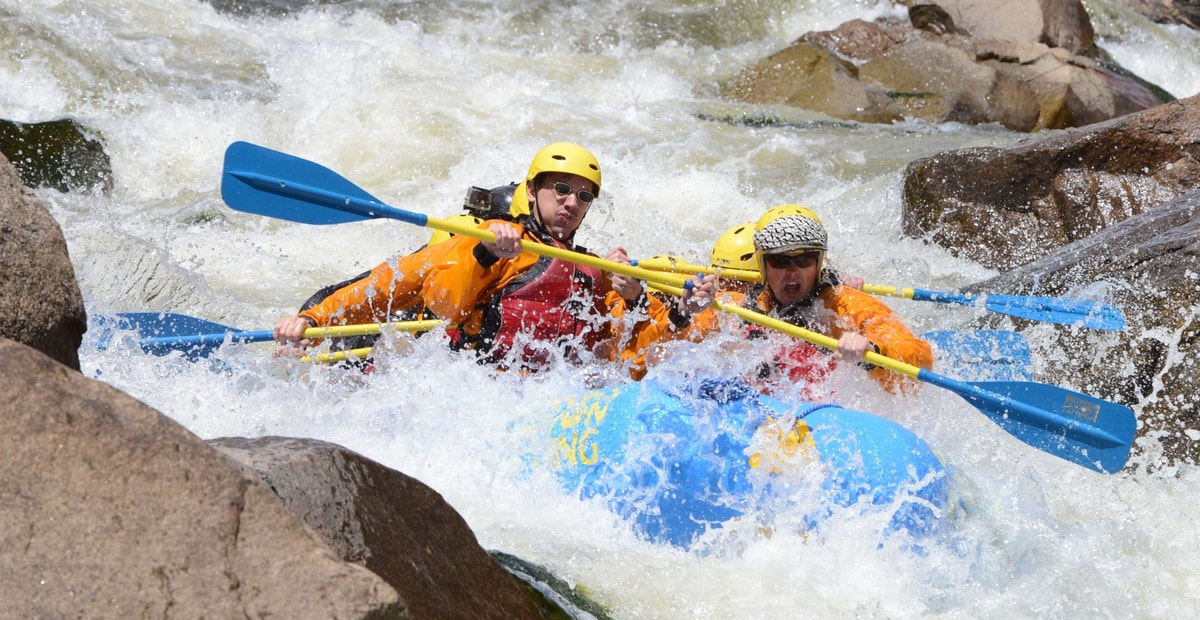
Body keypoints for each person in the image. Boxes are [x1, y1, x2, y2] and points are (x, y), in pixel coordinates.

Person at [275, 142, 701, 373]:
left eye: (584, 195)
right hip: (475, 384)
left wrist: (651, 305)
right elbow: (431, 297)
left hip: (551, 398)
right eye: (561, 189)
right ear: (533, 192)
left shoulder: (596, 269)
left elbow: (632, 360)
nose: (572, 201)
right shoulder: (487, 241)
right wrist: (314, 318)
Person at [632, 205, 933, 396]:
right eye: (779, 262)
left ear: (820, 262)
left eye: (804, 260)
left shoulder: (846, 306)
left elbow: (918, 360)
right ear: (762, 266)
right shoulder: (736, 305)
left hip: (823, 415)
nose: (792, 273)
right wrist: (681, 315)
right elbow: (649, 362)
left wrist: (872, 352)